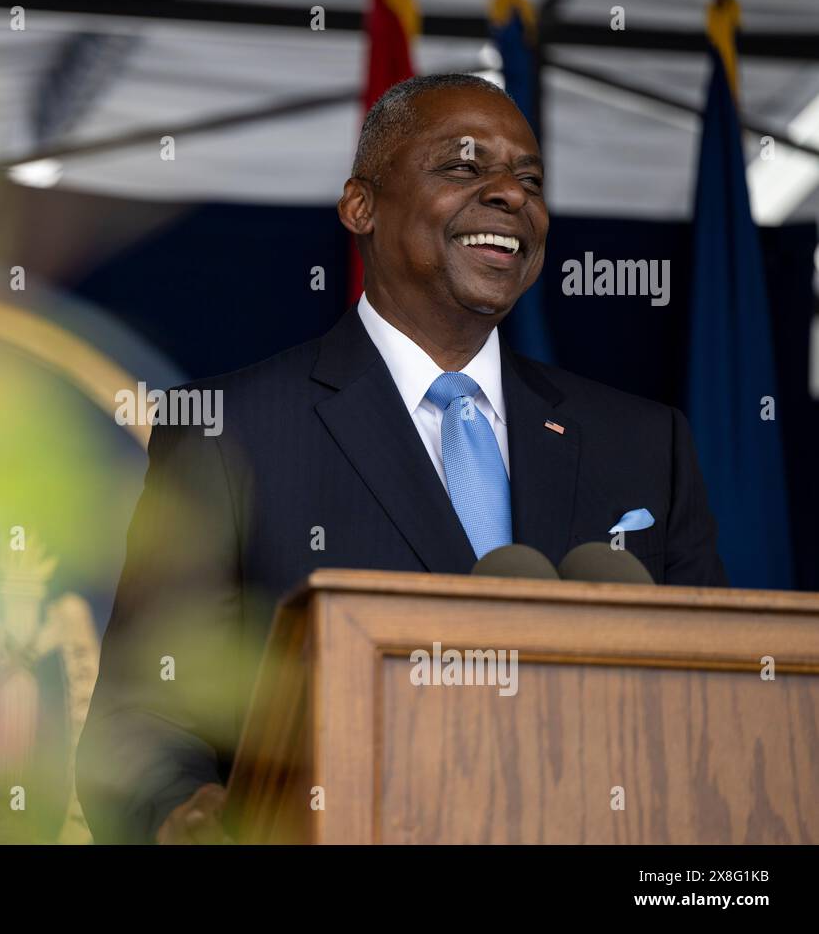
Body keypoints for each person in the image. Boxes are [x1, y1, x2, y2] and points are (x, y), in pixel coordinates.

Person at [76, 74, 728, 845]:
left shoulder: (645, 443)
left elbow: (715, 699)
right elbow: (141, 717)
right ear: (362, 206)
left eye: (530, 179)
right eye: (462, 167)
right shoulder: (231, 431)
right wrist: (184, 815)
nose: (510, 195)